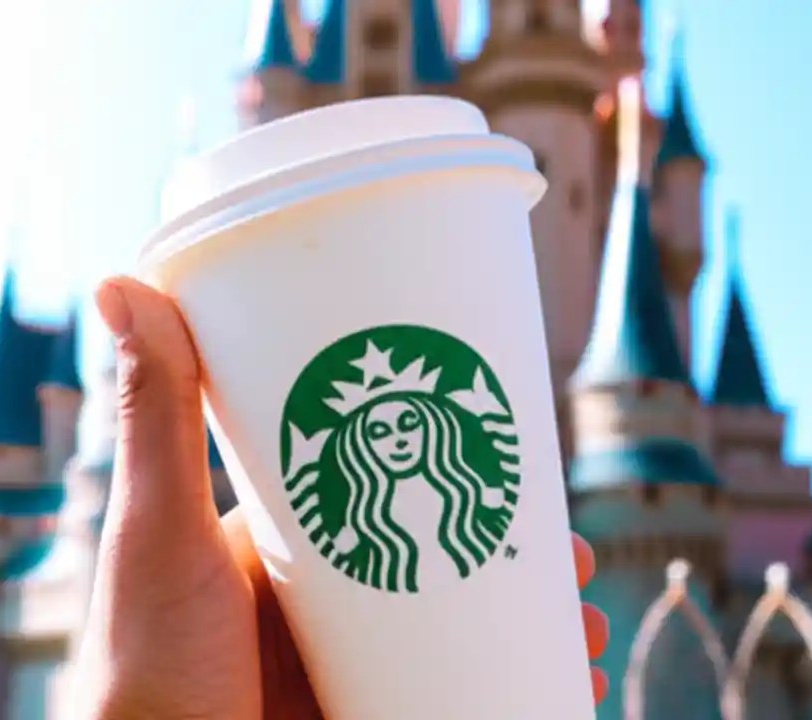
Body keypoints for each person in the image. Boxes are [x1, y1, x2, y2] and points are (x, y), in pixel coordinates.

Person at [74, 276, 610, 719]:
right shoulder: (366, 530)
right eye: (379, 432)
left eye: (409, 423)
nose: (398, 439)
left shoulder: (464, 510)